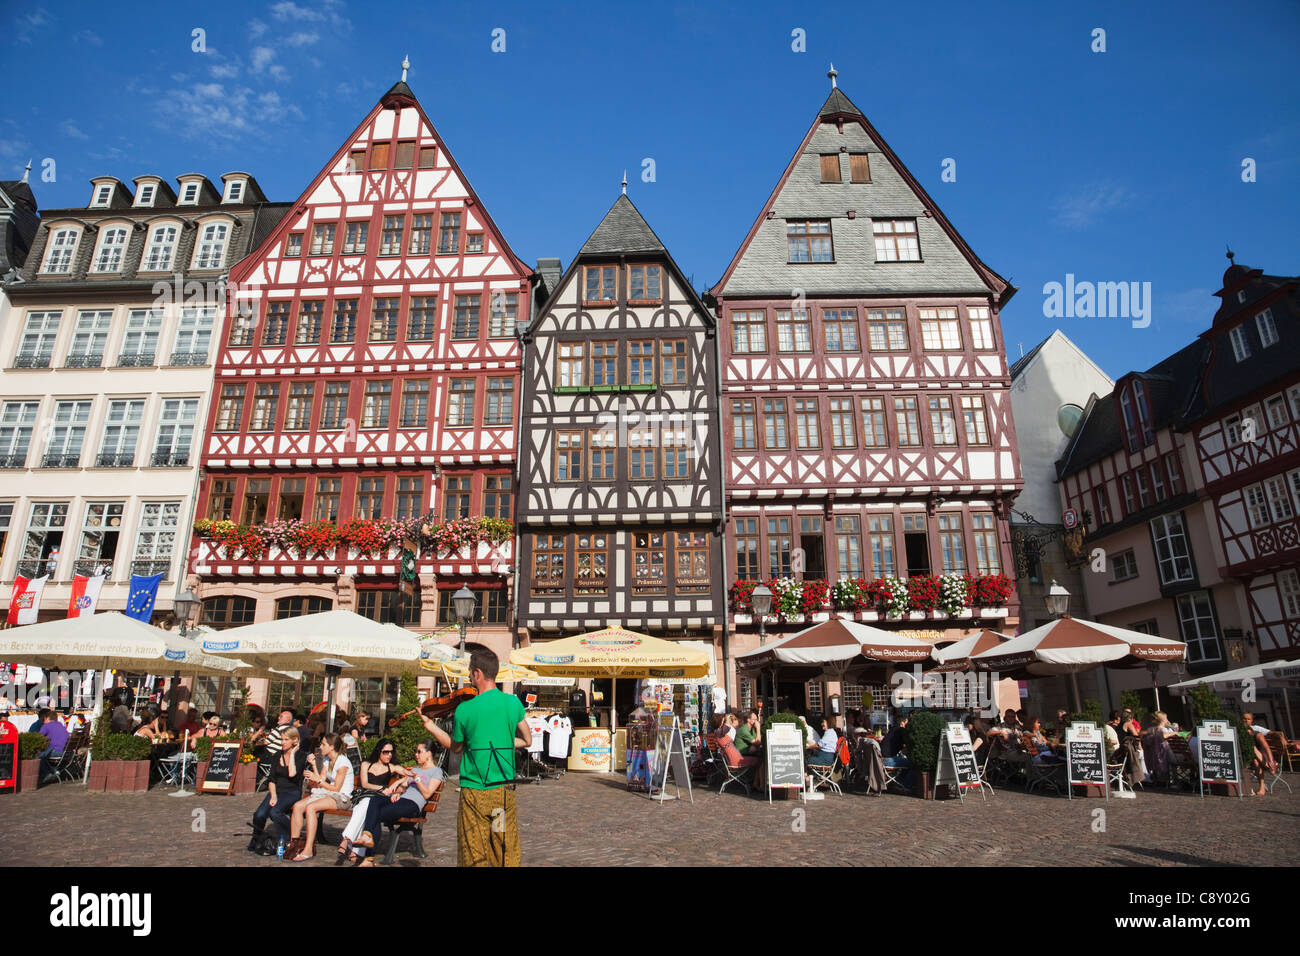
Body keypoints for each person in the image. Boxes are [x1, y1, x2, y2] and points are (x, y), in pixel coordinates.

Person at [421, 648, 531, 867]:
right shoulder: (512, 703)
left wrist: (431, 726)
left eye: (470, 673)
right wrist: (502, 743)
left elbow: (456, 747)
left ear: (477, 673)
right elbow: (527, 740)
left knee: (473, 849)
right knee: (503, 844)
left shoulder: (465, 709)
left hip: (475, 793)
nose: (470, 677)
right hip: (502, 793)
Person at [352, 738, 445, 866]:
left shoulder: (436, 771)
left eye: (419, 752)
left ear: (428, 753)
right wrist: (397, 792)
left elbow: (428, 793)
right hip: (402, 800)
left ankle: (369, 858)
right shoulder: (416, 770)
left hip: (413, 805)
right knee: (375, 801)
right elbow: (403, 785)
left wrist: (417, 780)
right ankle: (367, 836)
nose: (416, 754)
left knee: (376, 814)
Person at [285, 733, 354, 861]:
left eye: (323, 744)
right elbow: (320, 779)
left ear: (332, 747)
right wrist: (312, 766)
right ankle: (294, 844)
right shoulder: (327, 759)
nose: (320, 747)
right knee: (297, 806)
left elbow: (336, 788)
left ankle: (308, 849)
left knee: (311, 807)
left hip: (342, 797)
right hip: (328, 793)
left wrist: (319, 780)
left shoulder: (342, 763)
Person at [338, 737, 400, 861]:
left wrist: (396, 788)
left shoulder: (392, 767)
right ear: (378, 751)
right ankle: (356, 851)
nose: (389, 755)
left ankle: (347, 839)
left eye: (391, 752)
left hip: (377, 799)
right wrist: (382, 788)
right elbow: (365, 784)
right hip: (363, 796)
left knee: (367, 807)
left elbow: (408, 775)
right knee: (366, 806)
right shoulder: (366, 764)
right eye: (385, 752)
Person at [249, 727, 306, 853]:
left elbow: (292, 774)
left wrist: (292, 755)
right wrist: (273, 795)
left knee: (275, 812)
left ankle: (290, 837)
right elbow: (272, 779)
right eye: (282, 739)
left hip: (291, 792)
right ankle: (256, 838)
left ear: (294, 741)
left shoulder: (301, 756)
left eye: (286, 740)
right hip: (276, 791)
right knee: (259, 814)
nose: (283, 742)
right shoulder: (277, 755)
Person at [37, 709, 69, 783]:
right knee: (45, 752)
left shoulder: (46, 726)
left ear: (47, 718)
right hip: (66, 753)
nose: (44, 721)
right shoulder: (61, 726)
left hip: (56, 753)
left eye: (44, 719)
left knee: (40, 756)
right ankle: (55, 770)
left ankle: (48, 773)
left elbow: (38, 738)